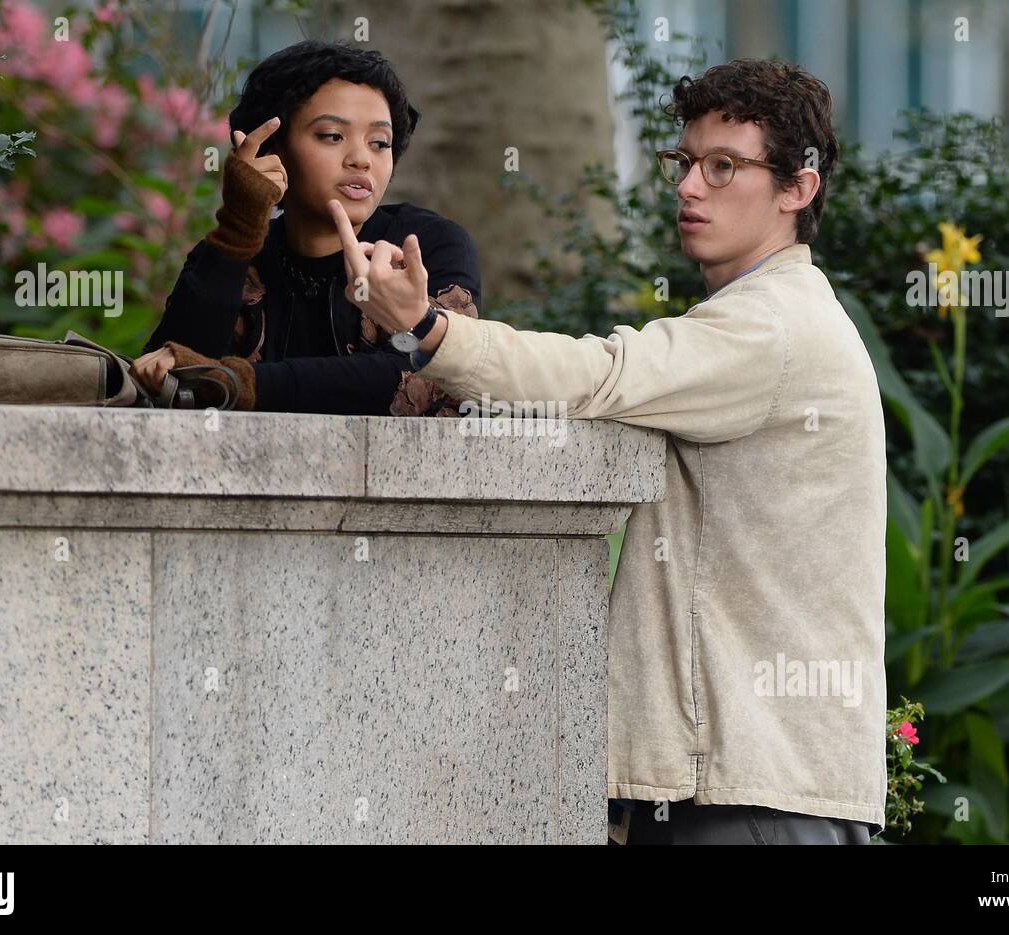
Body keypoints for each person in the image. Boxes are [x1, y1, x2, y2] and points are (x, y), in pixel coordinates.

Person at [330, 58, 888, 844]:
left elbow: (602, 374)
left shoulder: (770, 326)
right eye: (684, 161)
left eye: (724, 166)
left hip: (747, 799)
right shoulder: (770, 315)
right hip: (745, 787)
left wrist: (428, 327)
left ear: (798, 187)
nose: (690, 187)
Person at [133, 40, 480, 415]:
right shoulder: (233, 253)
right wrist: (239, 224)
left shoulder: (425, 245)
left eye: (379, 142)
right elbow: (166, 374)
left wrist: (242, 383)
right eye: (332, 136)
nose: (361, 159)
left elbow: (426, 373)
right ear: (271, 151)